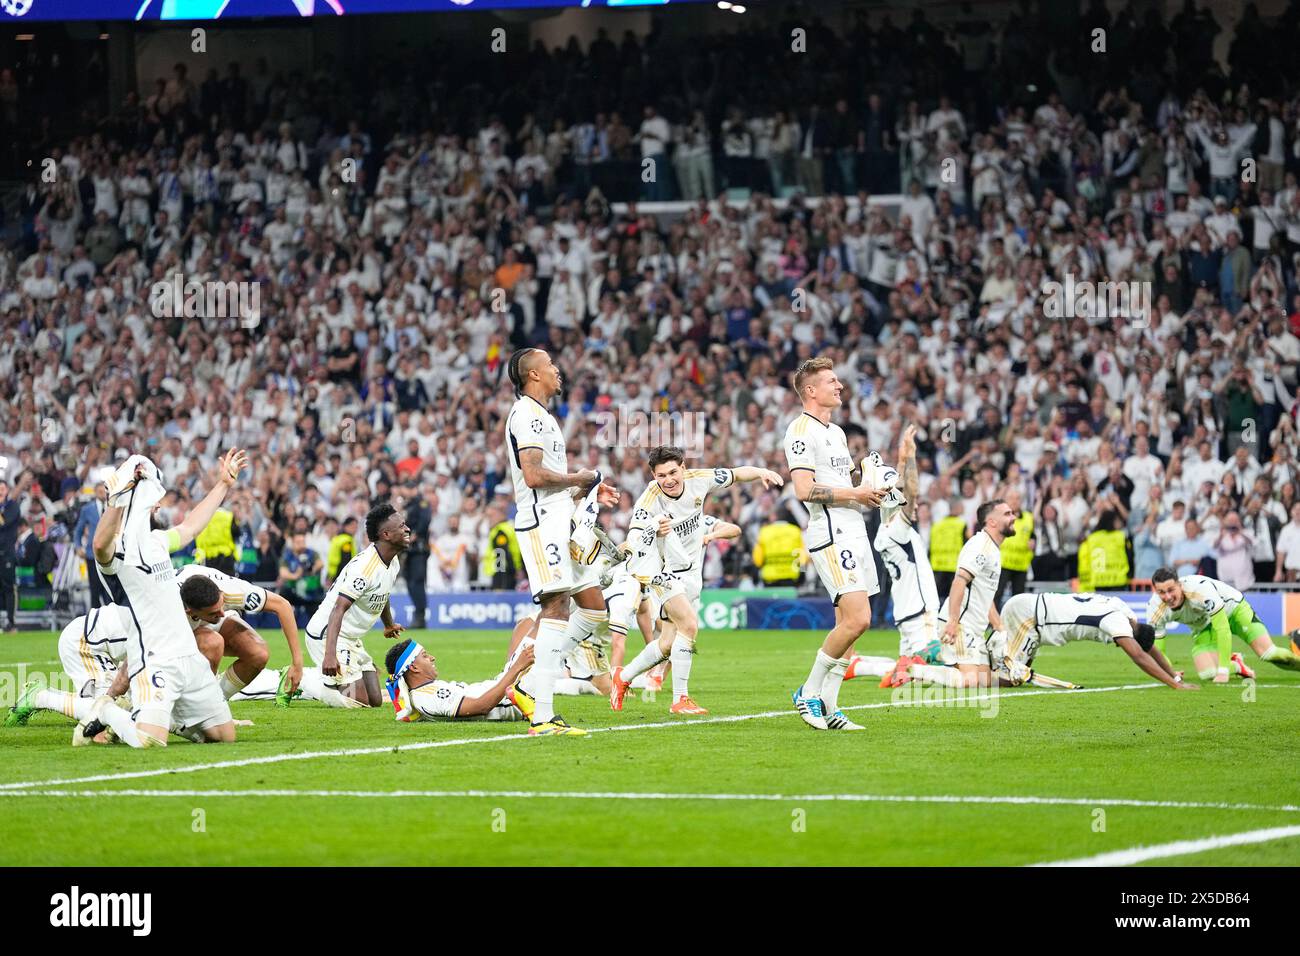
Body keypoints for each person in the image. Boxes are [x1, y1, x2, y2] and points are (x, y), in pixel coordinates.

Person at [81, 450, 247, 748]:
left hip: (188, 657)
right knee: (148, 741)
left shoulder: (156, 542)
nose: (155, 504)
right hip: (154, 661)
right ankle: (109, 712)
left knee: (224, 736)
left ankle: (159, 718)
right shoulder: (114, 556)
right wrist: (118, 499)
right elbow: (98, 544)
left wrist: (223, 484)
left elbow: (192, 526)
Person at [608, 445, 782, 715]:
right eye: (661, 475)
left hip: (692, 573)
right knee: (689, 626)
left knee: (667, 643)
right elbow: (633, 539)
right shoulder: (648, 501)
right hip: (663, 572)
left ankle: (623, 677)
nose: (668, 480)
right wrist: (654, 528)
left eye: (673, 472)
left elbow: (736, 474)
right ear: (653, 476)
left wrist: (761, 471)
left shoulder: (699, 479)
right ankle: (680, 699)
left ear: (683, 468)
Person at [501, 348, 618, 737]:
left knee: (593, 608)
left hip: (559, 516)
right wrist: (578, 478)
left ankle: (528, 680)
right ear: (533, 375)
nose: (557, 370)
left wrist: (584, 494)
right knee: (556, 607)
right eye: (550, 365)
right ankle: (541, 713)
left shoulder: (543, 416)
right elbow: (533, 477)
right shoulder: (527, 416)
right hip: (542, 523)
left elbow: (547, 483)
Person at [784, 357, 884, 731]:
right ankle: (808, 692)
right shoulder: (799, 431)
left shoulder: (838, 433)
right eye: (831, 381)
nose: (839, 386)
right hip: (830, 533)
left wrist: (871, 484)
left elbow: (845, 486)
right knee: (859, 617)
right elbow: (805, 490)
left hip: (854, 528)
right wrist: (856, 492)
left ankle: (830, 705)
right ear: (811, 391)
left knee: (853, 627)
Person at [849, 426, 944, 687]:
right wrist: (910, 457)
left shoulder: (883, 531)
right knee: (943, 668)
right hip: (921, 612)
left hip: (904, 614)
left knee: (910, 671)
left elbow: (900, 491)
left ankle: (859, 666)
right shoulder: (899, 529)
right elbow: (910, 492)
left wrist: (901, 461)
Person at [304, 501, 412, 707]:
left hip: (351, 637)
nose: (407, 529)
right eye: (401, 526)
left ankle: (331, 679)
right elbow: (338, 609)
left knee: (375, 701)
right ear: (386, 535)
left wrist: (388, 624)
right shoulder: (364, 568)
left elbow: (383, 592)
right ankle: (304, 681)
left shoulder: (393, 560)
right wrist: (329, 655)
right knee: (357, 703)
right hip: (327, 635)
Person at [907, 499, 1016, 689]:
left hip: (975, 629)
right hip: (962, 626)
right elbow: (959, 581)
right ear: (992, 521)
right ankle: (919, 668)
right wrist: (953, 621)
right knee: (971, 681)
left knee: (992, 680)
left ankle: (935, 659)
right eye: (1007, 514)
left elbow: (985, 594)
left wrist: (999, 627)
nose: (1013, 517)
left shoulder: (993, 549)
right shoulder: (980, 546)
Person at [988, 592, 1195, 691]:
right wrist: (1174, 685)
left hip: (1032, 609)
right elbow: (1140, 655)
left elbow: (1148, 648)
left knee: (1016, 670)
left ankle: (971, 668)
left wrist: (1174, 675)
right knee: (1011, 678)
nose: (1117, 644)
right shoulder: (1117, 622)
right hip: (1028, 617)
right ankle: (963, 675)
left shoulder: (1124, 610)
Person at [176, 563, 305, 702]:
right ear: (190, 611)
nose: (221, 613)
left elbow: (282, 605)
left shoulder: (231, 590)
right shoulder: (168, 609)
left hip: (200, 615)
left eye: (222, 605)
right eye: (214, 612)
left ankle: (216, 704)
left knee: (258, 653)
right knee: (212, 644)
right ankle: (196, 707)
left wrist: (297, 663)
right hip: (179, 632)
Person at [1148, 566, 1300, 683]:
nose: (1168, 597)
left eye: (1171, 590)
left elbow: (1222, 628)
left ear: (1179, 585)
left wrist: (1223, 671)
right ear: (1155, 591)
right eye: (1161, 592)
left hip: (1234, 612)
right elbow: (1158, 651)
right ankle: (1238, 665)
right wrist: (1171, 673)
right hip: (1204, 627)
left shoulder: (1200, 589)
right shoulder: (1155, 609)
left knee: (1269, 654)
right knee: (1207, 673)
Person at [384, 638, 535, 723]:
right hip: (517, 693)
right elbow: (481, 706)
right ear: (414, 668)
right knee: (549, 615)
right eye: (425, 656)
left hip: (506, 682)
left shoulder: (424, 692)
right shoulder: (428, 697)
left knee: (529, 621)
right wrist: (517, 668)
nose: (432, 658)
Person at [72, 482, 110, 607]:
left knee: (110, 590)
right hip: (92, 554)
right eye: (99, 491)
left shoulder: (113, 508)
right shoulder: (87, 509)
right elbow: (78, 531)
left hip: (110, 554)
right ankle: (96, 620)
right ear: (95, 492)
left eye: (104, 491)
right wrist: (78, 547)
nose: (102, 494)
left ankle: (111, 619)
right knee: (95, 589)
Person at [403, 484, 432, 628]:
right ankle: (417, 612)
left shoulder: (422, 503)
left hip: (418, 549)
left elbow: (425, 521)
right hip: (408, 550)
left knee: (417, 582)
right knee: (410, 582)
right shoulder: (407, 505)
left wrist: (415, 534)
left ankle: (420, 616)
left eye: (408, 488)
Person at [752, 507, 804, 585]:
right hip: (791, 576)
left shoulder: (764, 532)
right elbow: (802, 556)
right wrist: (802, 573)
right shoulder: (795, 531)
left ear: (774, 516)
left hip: (770, 577)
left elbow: (758, 559)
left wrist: (756, 573)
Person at [0, 479, 18, 632]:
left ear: (7, 491)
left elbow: (4, 522)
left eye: (2, 488)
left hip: (7, 553)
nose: (0, 491)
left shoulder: (12, 506)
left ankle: (11, 622)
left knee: (8, 587)